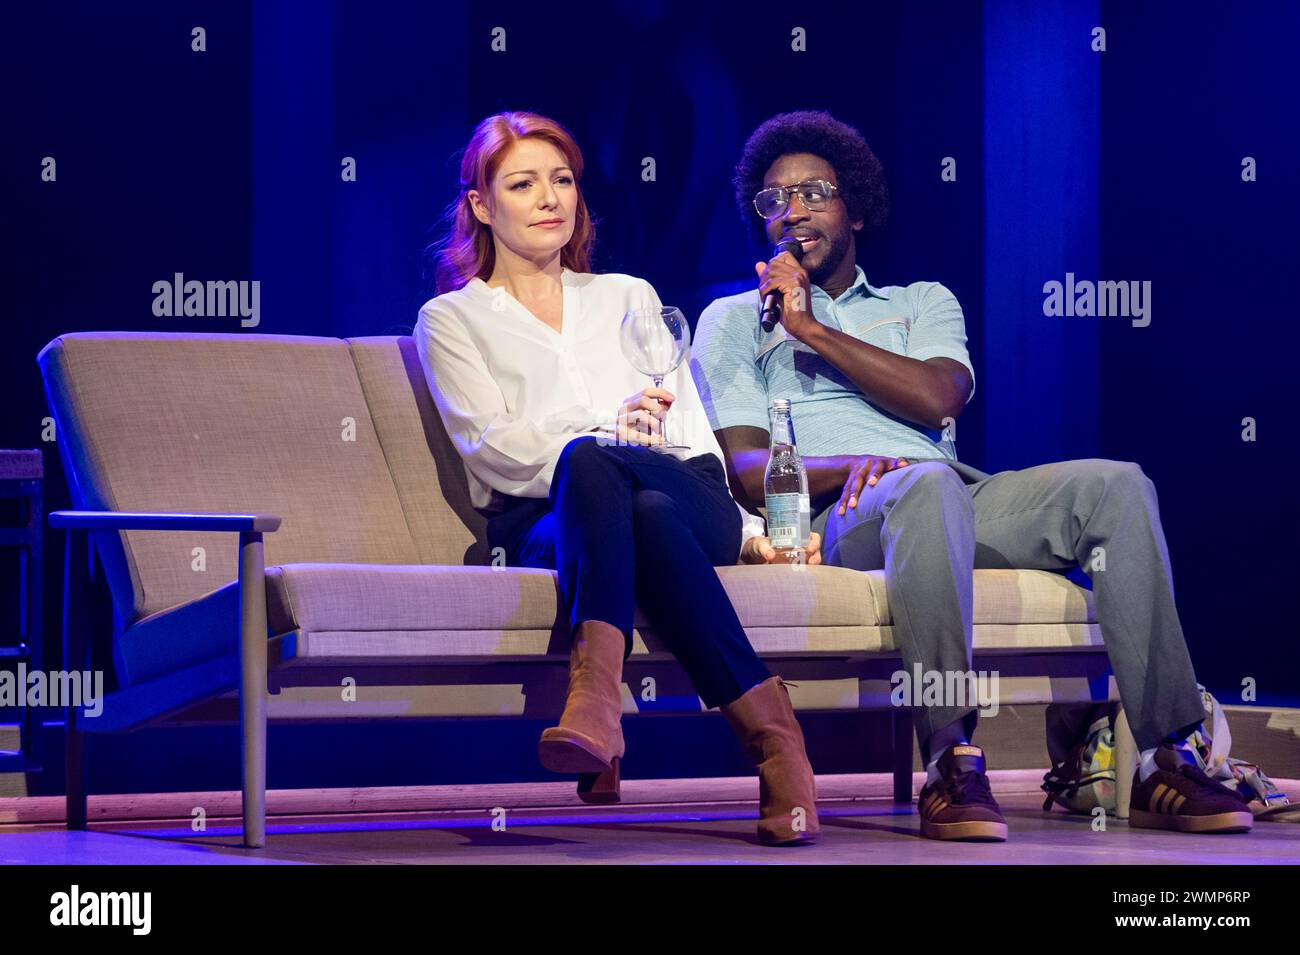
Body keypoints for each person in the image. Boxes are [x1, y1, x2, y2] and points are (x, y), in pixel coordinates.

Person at [692, 110, 1253, 841]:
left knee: (1118, 482)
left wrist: (811, 331)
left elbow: (937, 396)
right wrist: (859, 465)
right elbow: (745, 469)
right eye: (773, 200)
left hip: (958, 490)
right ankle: (953, 759)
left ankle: (1166, 754)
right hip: (850, 511)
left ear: (855, 207)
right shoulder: (735, 320)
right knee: (922, 487)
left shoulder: (920, 302)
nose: (791, 211)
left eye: (813, 192)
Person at [415, 111, 823, 845]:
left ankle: (597, 701)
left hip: (692, 489)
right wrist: (605, 429)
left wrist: (756, 531)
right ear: (481, 204)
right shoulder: (451, 319)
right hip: (544, 520)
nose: (550, 198)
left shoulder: (628, 295)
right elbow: (491, 451)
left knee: (628, 478)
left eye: (562, 180)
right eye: (523, 183)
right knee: (625, 494)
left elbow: (692, 424)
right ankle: (773, 737)